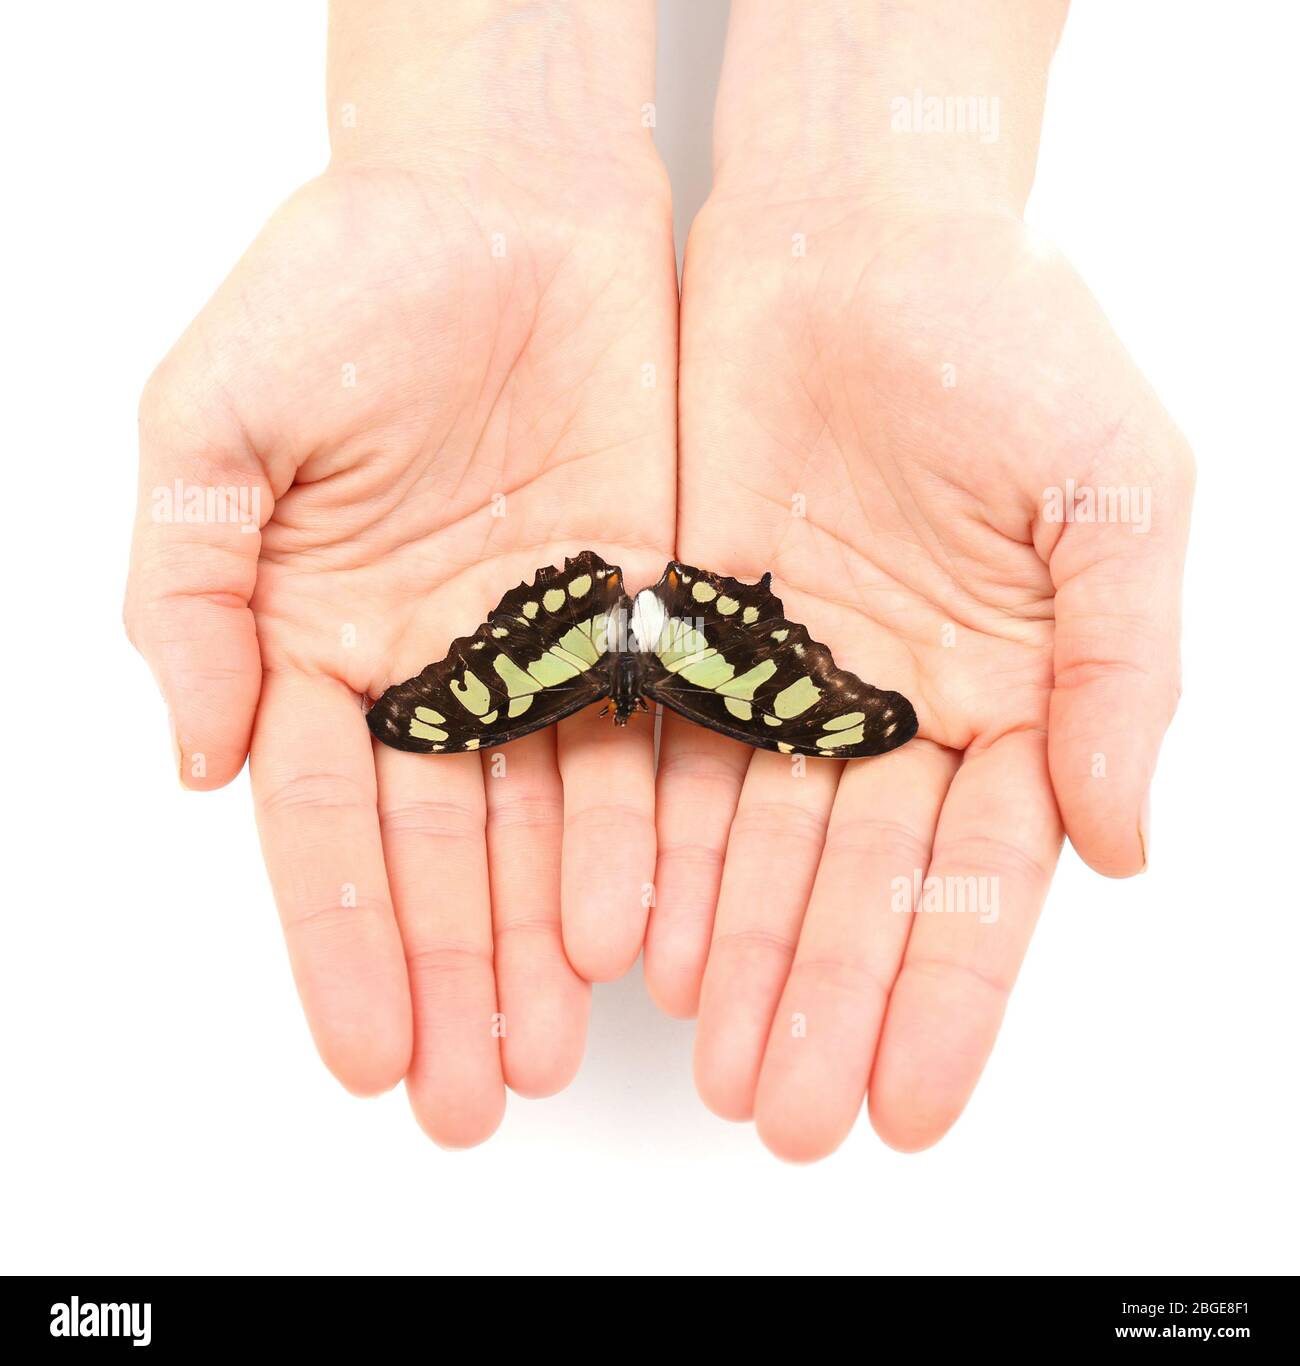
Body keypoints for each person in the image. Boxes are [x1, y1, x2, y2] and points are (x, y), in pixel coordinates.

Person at [124, 1, 1193, 1160]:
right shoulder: (690, 675)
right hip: (698, 660)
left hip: (603, 656)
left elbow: (467, 704)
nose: (626, 720)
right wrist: (471, 128)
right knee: (782, 720)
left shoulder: (563, 675)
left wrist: (881, 157)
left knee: (508, 713)